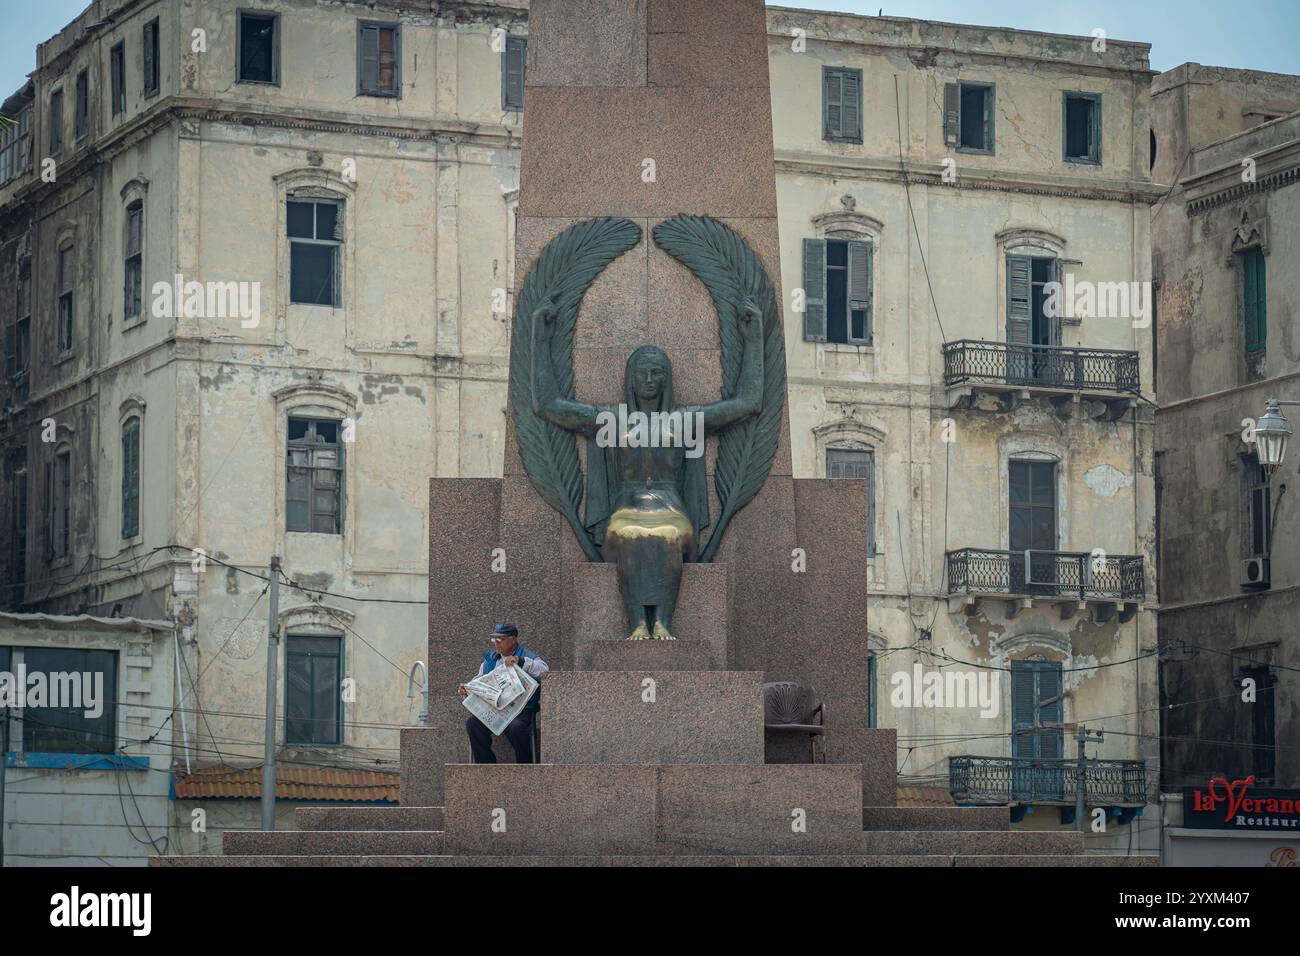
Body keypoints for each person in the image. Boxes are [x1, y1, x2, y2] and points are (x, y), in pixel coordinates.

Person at [460, 623, 549, 763]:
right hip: (493, 709)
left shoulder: (528, 656)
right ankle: (486, 766)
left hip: (520, 711)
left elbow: (545, 671)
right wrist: (467, 688)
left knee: (516, 727)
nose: (497, 643)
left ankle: (525, 768)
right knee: (472, 723)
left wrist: (521, 662)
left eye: (500, 639)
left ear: (513, 639)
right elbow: (478, 681)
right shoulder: (490, 660)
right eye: (494, 639)